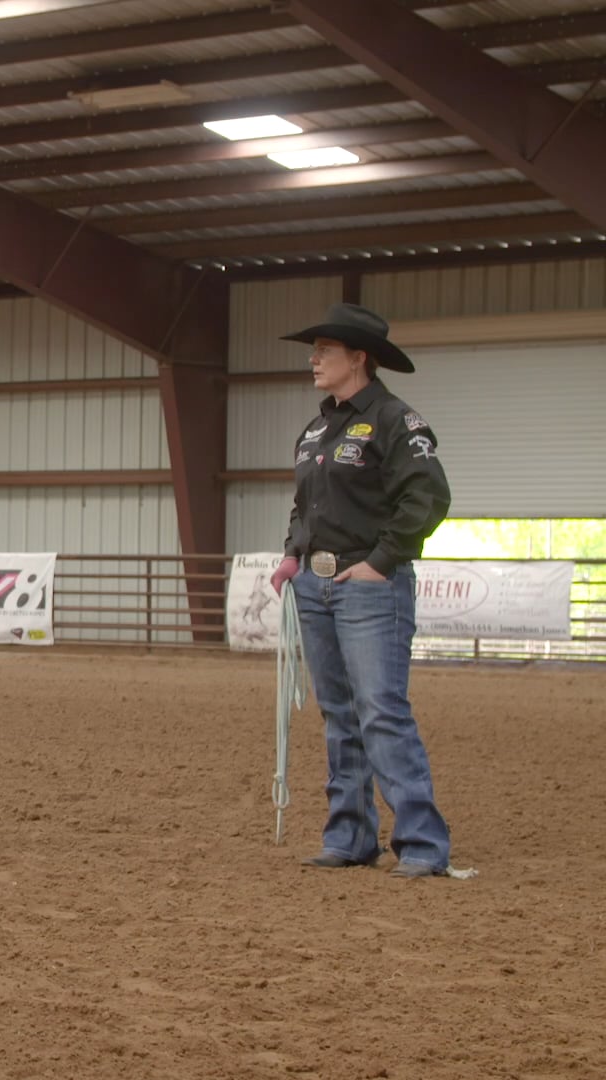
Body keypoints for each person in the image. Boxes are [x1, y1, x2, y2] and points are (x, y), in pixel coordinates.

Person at [268, 302, 454, 878]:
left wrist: (380, 561)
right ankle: (350, 836)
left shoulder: (399, 421)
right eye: (315, 349)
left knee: (380, 711)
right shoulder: (317, 429)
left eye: (325, 350)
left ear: (359, 358)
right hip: (316, 586)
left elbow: (427, 498)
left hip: (369, 586)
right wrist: (292, 551)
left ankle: (422, 842)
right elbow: (307, 507)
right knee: (340, 714)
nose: (313, 358)